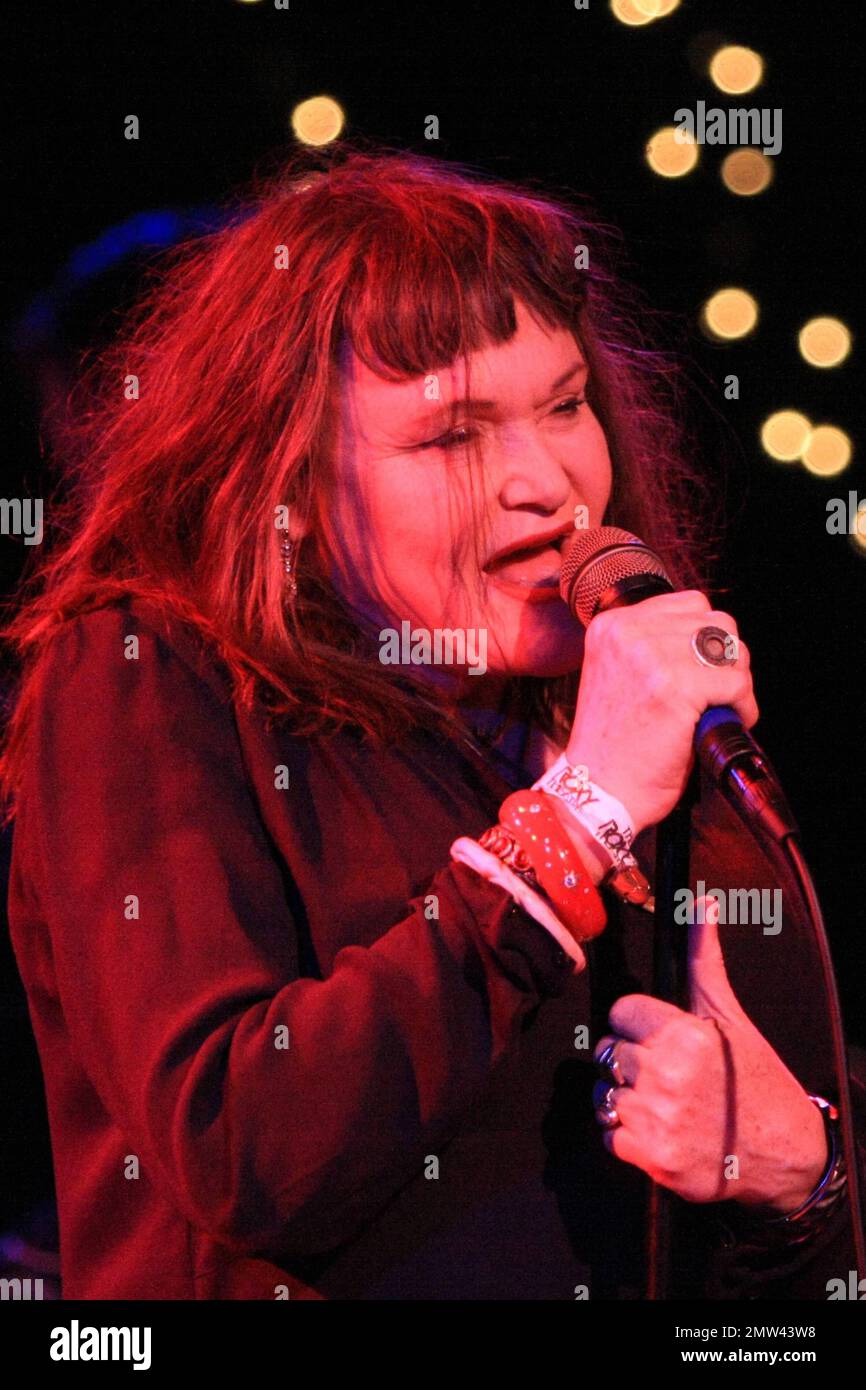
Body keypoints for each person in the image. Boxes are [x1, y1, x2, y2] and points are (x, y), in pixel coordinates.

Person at [0, 148, 859, 1300]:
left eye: (564, 405)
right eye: (453, 434)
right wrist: (575, 816)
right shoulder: (149, 673)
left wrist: (799, 1176)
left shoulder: (632, 726)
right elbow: (241, 1148)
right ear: (288, 482)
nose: (545, 480)